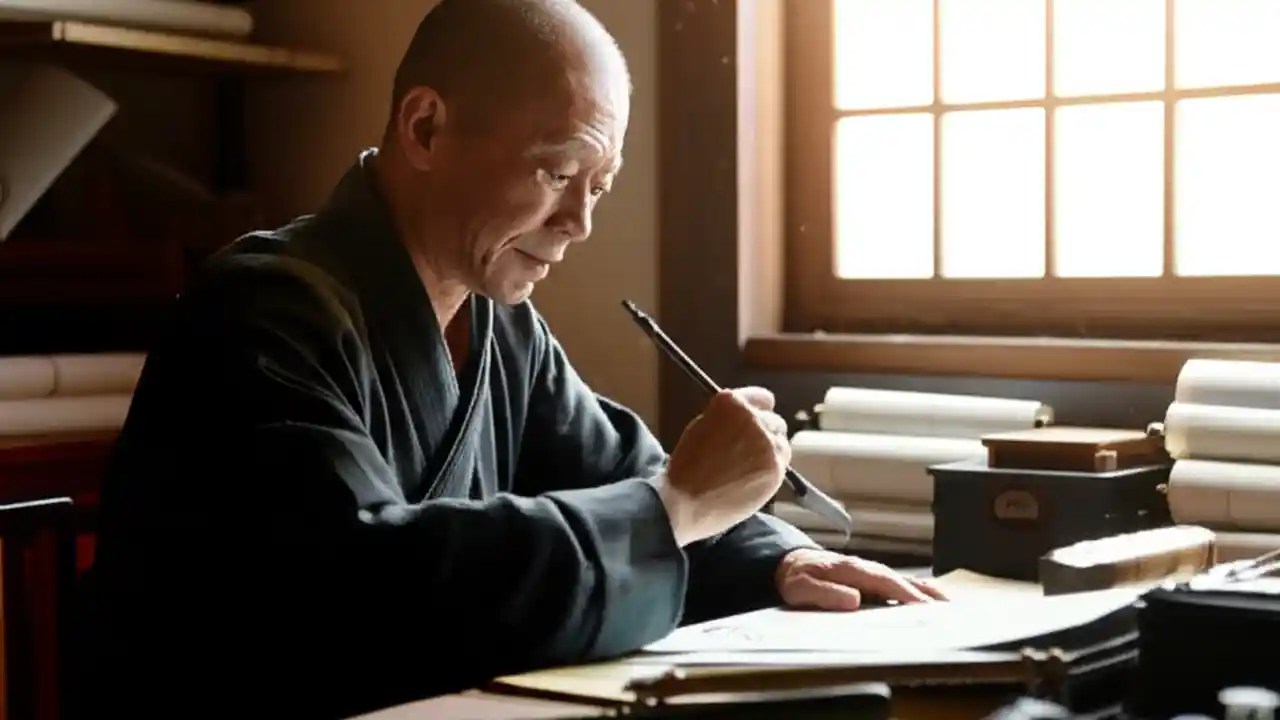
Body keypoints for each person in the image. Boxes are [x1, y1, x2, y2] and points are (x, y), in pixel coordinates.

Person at [83, 0, 944, 716]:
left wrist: (776, 557)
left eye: (598, 185)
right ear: (425, 127)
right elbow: (363, 585)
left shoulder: (504, 331)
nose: (580, 222)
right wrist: (679, 504)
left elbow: (624, 474)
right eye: (557, 170)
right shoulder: (263, 309)